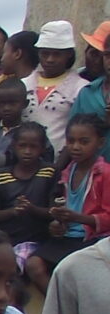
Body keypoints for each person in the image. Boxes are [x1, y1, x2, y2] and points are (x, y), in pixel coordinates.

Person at [27, 114, 110, 292]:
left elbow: (108, 218)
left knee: (73, 270)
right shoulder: (67, 171)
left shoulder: (105, 174)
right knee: (34, 265)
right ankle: (60, 307)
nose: (76, 147)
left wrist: (79, 218)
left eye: (84, 141)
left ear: (100, 143)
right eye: (71, 141)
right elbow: (62, 208)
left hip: (93, 240)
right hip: (67, 237)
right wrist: (58, 223)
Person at [0, 123, 59, 281]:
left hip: (39, 241)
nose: (27, 151)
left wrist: (31, 208)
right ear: (13, 146)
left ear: (43, 148)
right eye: (22, 146)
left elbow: (53, 213)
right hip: (8, 240)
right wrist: (13, 211)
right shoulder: (0, 176)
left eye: (33, 146)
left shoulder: (49, 172)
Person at [29, 21, 87, 136]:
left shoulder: (81, 88)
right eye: (45, 54)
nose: (50, 59)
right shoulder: (24, 84)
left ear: (69, 54)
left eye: (57, 54)